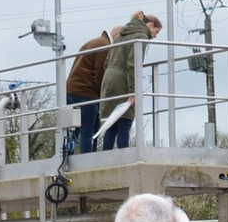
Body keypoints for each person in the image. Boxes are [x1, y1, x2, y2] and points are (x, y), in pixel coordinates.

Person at [95, 12, 160, 152]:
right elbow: (133, 65)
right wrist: (133, 91)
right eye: (156, 32)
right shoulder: (141, 37)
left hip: (109, 79)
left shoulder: (120, 35)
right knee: (125, 122)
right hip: (122, 81)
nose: (155, 36)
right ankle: (124, 158)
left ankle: (106, 157)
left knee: (111, 124)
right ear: (151, 25)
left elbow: (107, 61)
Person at [64, 27, 113, 154]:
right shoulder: (104, 46)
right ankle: (87, 158)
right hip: (86, 93)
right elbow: (101, 74)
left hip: (71, 90)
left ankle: (68, 157)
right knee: (87, 130)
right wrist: (103, 94)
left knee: (71, 129)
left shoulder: (93, 42)